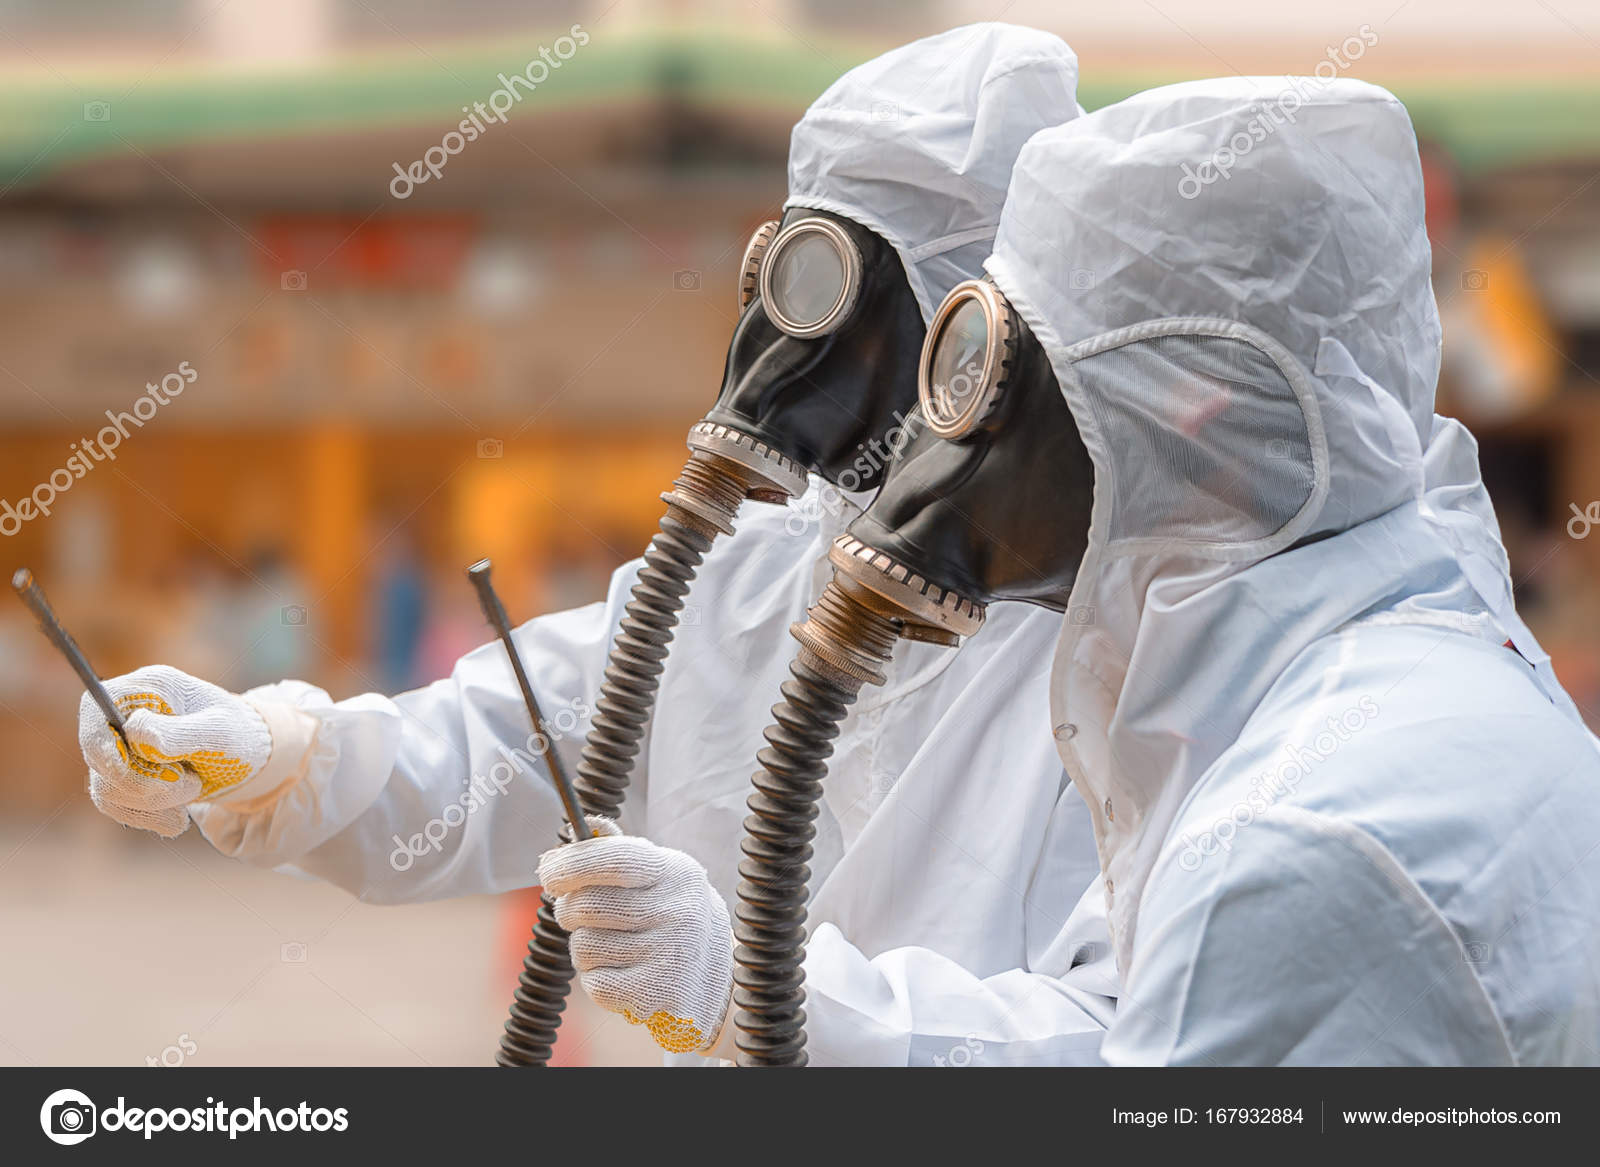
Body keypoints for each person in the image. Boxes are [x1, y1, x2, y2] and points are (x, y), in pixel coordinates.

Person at [75, 25, 1117, 1066]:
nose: (813, 348)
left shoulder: (1114, 635)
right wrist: (272, 755)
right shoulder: (735, 584)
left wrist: (757, 995)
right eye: (802, 287)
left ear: (992, 336)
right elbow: (488, 747)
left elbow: (1127, 1048)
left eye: (863, 299)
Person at [838, 76, 1600, 1063]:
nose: (963, 433)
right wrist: (736, 983)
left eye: (1013, 373)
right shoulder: (1394, 673)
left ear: (1183, 402)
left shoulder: (1294, 842)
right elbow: (1116, 1030)